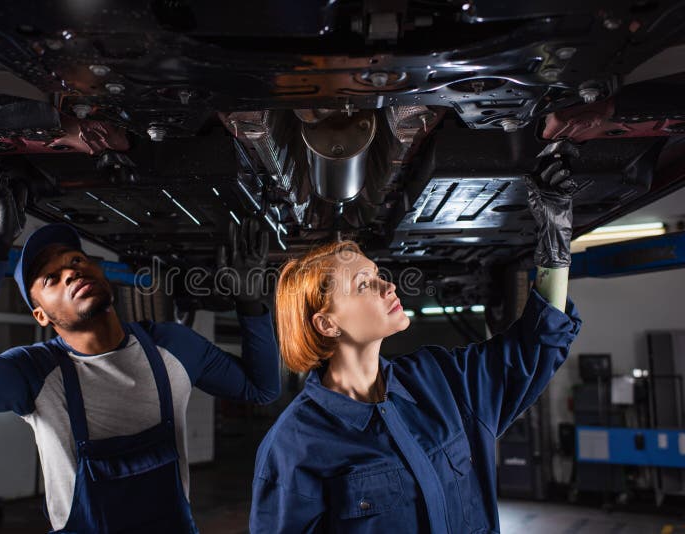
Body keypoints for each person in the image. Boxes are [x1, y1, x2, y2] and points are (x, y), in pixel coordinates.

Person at [0, 175, 281, 534]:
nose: (70, 272)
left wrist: (250, 301)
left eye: (76, 260)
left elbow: (260, 389)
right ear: (40, 315)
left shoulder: (171, 346)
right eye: (50, 278)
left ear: (98, 272)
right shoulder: (36, 373)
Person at [250, 156, 583, 533]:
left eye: (377, 275)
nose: (387, 286)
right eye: (363, 284)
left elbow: (536, 344)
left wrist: (556, 245)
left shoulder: (440, 380)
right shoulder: (293, 447)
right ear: (327, 323)